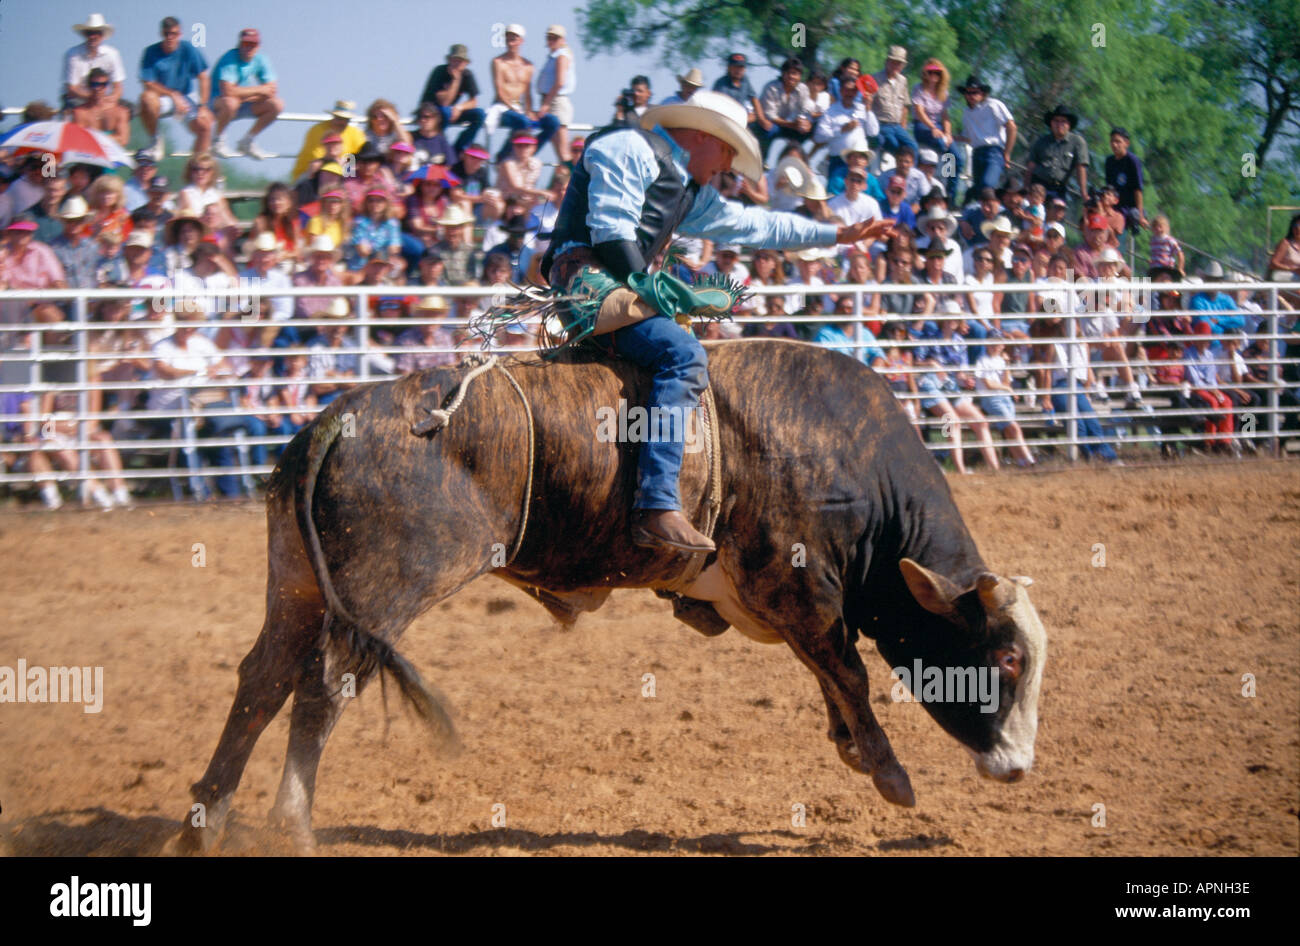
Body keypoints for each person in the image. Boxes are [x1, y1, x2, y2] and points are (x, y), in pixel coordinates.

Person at [539, 89, 893, 551]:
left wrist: (836, 233)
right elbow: (611, 231)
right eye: (729, 150)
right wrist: (649, 288)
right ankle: (657, 505)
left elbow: (756, 225)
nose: (728, 166)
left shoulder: (688, 191)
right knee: (683, 354)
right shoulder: (626, 147)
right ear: (704, 136)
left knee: (683, 341)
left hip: (614, 284)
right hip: (585, 282)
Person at [138, 16, 213, 160]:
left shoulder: (188, 49)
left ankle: (197, 164)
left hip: (186, 95)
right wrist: (172, 94)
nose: (170, 37)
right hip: (162, 98)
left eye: (174, 34)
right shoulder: (150, 52)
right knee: (146, 98)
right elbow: (148, 83)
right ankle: (155, 140)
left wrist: (203, 106)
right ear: (162, 34)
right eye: (167, 34)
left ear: (180, 34)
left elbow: (204, 77)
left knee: (205, 124)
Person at [488, 25, 561, 163]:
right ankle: (503, 156)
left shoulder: (528, 66)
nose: (510, 41)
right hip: (503, 108)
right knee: (522, 121)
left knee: (552, 122)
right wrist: (515, 108)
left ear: (521, 41)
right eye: (508, 37)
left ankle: (528, 153)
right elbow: (499, 91)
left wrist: (529, 110)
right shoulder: (498, 62)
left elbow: (527, 93)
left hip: (520, 108)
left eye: (514, 38)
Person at [210, 28, 283, 160]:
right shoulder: (229, 59)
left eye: (253, 44)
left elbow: (272, 90)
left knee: (277, 104)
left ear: (258, 46)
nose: (249, 48)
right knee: (231, 103)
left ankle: (247, 141)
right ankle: (217, 140)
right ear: (239, 44)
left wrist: (243, 94)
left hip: (242, 102)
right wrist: (260, 90)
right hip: (218, 103)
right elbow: (228, 92)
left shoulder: (261, 59)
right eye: (246, 44)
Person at [954, 75, 1015, 202]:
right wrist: (951, 136)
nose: (971, 95)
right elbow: (969, 138)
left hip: (994, 152)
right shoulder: (966, 113)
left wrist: (1007, 153)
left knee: (987, 186)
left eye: (975, 92)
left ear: (982, 93)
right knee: (976, 192)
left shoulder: (993, 105)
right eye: (968, 92)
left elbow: (1011, 127)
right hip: (976, 153)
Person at [417, 43, 487, 154]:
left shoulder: (468, 75)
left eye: (460, 61)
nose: (457, 64)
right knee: (445, 112)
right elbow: (444, 102)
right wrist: (455, 80)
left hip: (450, 111)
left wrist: (459, 107)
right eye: (454, 60)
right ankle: (440, 147)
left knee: (480, 114)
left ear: (466, 63)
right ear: (449, 60)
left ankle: (459, 148)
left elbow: (474, 101)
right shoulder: (439, 72)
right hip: (432, 112)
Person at [911, 59, 962, 188]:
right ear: (925, 73)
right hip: (923, 126)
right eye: (930, 72)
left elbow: (945, 116)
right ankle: (940, 176)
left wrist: (948, 133)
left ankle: (950, 192)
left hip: (938, 126)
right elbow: (920, 112)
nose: (934, 75)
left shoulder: (943, 93)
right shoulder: (918, 89)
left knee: (957, 157)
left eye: (937, 73)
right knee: (943, 146)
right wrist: (933, 128)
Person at [62, 13, 126, 110]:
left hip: (104, 100)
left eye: (97, 33)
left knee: (127, 111)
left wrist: (110, 99)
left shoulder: (112, 54)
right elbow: (72, 89)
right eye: (90, 33)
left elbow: (118, 88)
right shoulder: (72, 55)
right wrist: (93, 98)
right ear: (85, 35)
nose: (93, 36)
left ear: (102, 35)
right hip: (78, 100)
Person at [1025, 105, 1088, 203]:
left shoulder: (1077, 142)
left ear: (1069, 124)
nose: (1059, 124)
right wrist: (1026, 188)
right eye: (1056, 121)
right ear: (1051, 123)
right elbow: (1031, 167)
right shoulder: (1041, 141)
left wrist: (1084, 193)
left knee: (1056, 212)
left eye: (1063, 121)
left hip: (1059, 188)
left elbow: (1081, 168)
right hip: (1038, 185)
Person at [291, 101, 366, 180]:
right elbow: (316, 157)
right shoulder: (317, 130)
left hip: (345, 175)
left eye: (346, 119)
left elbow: (360, 158)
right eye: (339, 118)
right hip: (313, 174)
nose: (342, 122)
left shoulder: (356, 134)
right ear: (333, 116)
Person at [536, 25, 576, 163]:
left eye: (555, 37)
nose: (551, 40)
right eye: (550, 37)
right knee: (559, 152)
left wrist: (546, 104)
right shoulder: (554, 56)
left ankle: (574, 180)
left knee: (563, 152)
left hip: (556, 102)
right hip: (551, 100)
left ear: (562, 39)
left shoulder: (562, 55)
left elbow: (560, 82)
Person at [871, 46, 918, 158]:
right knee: (895, 146)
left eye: (899, 63)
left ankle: (911, 174)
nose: (896, 66)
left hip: (897, 126)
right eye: (893, 62)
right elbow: (868, 104)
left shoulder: (903, 80)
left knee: (913, 147)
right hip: (881, 124)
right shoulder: (875, 78)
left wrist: (903, 125)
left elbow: (905, 106)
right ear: (887, 61)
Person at [756, 58, 814, 150]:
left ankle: (791, 155)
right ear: (783, 74)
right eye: (789, 73)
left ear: (800, 76)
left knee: (809, 129)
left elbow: (806, 109)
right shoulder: (771, 87)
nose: (792, 77)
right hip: (770, 123)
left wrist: (806, 123)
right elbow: (771, 116)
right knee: (769, 130)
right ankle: (763, 159)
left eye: (795, 74)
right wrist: (792, 124)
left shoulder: (803, 89)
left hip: (790, 125)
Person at [69, 68, 129, 146]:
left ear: (107, 86)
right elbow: (78, 140)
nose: (98, 88)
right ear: (89, 86)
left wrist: (95, 138)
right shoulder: (80, 113)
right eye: (94, 85)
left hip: (112, 155)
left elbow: (123, 140)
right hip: (89, 155)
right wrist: (109, 138)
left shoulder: (119, 112)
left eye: (102, 84)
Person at [1104, 127, 1146, 233]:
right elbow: (1109, 188)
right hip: (1114, 207)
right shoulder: (1109, 161)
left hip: (1128, 209)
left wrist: (1140, 216)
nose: (1114, 144)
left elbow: (1138, 189)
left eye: (1118, 141)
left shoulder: (1132, 161)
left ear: (1126, 143)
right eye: (1112, 141)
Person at [712, 54, 761, 124]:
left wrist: (760, 117)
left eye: (741, 68)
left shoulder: (745, 81)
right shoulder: (721, 84)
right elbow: (718, 106)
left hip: (740, 119)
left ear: (744, 69)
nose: (738, 70)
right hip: (723, 119)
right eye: (735, 67)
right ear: (728, 68)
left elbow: (754, 99)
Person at [1267, 213, 1300, 282]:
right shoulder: (1285, 243)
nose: (1298, 229)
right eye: (1295, 226)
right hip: (1284, 279)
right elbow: (1273, 264)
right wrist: (1292, 269)